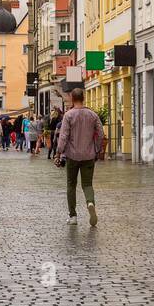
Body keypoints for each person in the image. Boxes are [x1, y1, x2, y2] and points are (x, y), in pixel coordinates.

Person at [55, 87, 104, 226]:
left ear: (72, 98)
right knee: (87, 184)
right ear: (83, 98)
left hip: (72, 155)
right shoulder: (92, 115)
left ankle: (73, 216)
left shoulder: (68, 115)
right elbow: (100, 134)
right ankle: (90, 202)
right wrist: (97, 148)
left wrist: (59, 153)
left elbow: (63, 136)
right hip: (88, 155)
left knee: (71, 184)